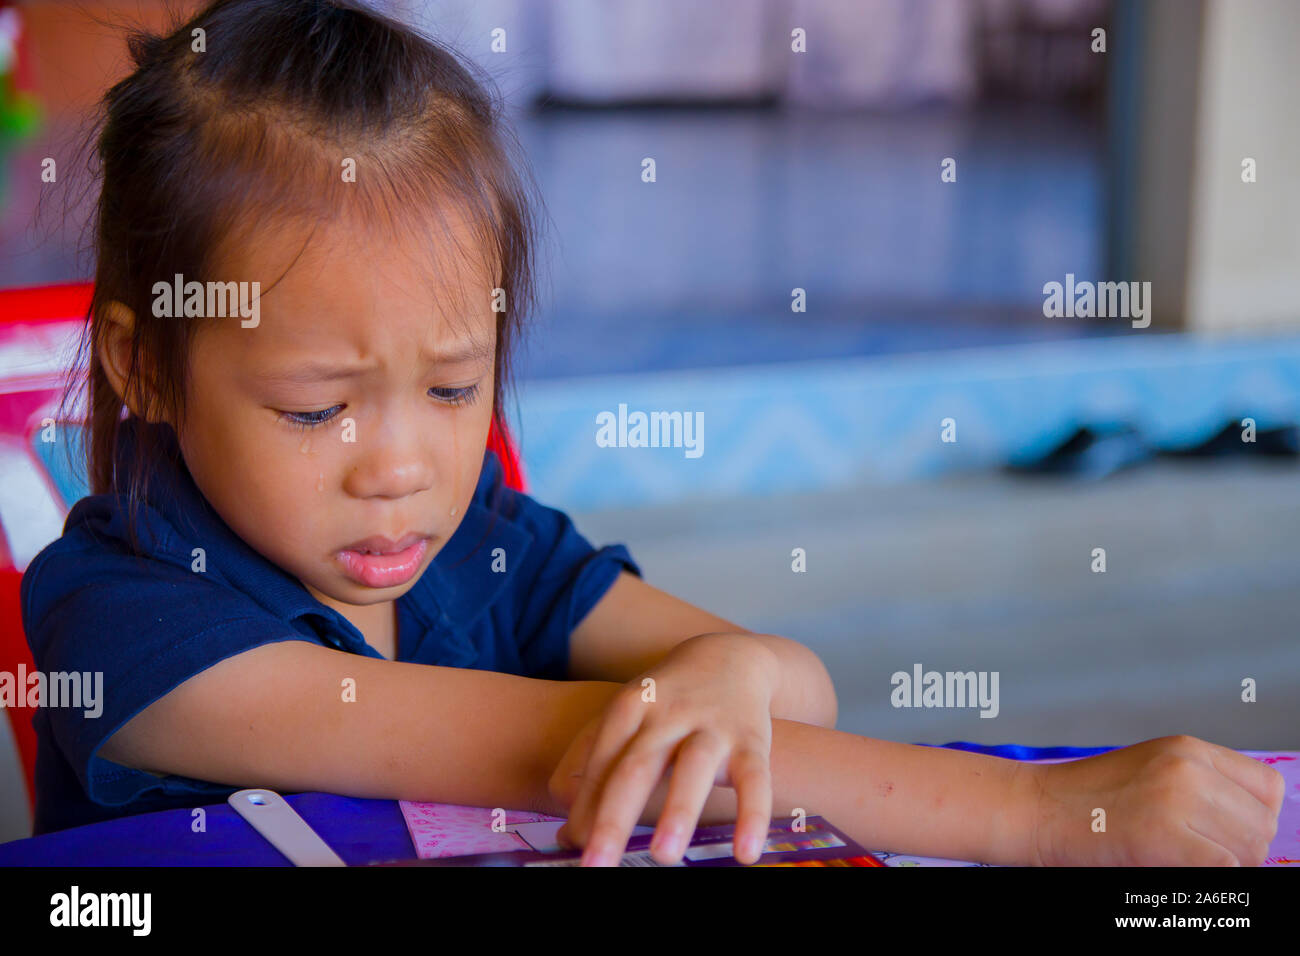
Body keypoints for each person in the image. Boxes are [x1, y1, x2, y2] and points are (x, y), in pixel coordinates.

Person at [21, 0, 1282, 866]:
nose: (399, 468)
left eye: (456, 390)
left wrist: (727, 674)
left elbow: (788, 677)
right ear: (149, 364)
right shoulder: (119, 618)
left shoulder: (480, 542)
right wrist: (1040, 811)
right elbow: (558, 752)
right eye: (316, 407)